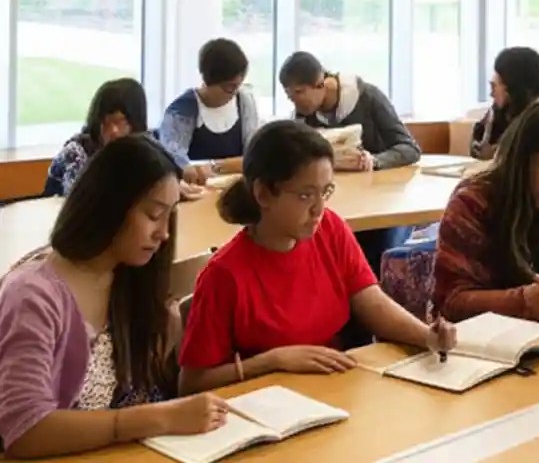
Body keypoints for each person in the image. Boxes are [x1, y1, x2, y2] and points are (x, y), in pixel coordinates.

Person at [177, 120, 455, 395]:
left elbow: (370, 301)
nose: (319, 209)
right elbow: (192, 383)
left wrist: (427, 336)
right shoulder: (224, 275)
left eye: (326, 192)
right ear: (262, 193)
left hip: (336, 391)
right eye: (305, 195)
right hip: (271, 408)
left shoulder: (330, 228)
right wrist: (271, 361)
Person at [0, 135, 229, 459]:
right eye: (153, 215)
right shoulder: (33, 295)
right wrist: (157, 418)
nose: (163, 233)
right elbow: (24, 431)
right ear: (109, 207)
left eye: (169, 216)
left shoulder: (128, 276)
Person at [432, 101, 539, 323]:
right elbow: (451, 301)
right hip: (479, 338)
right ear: (521, 162)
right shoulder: (472, 202)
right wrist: (523, 301)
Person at [277, 51, 421, 274]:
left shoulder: (368, 98)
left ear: (320, 83)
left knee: (372, 254)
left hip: (379, 204)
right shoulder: (303, 115)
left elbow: (409, 148)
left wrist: (374, 160)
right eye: (289, 95)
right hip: (332, 204)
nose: (295, 101)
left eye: (299, 92)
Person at [44, 78, 195, 198]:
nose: (113, 131)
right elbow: (83, 203)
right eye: (105, 123)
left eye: (119, 122)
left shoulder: (145, 145)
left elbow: (167, 175)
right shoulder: (77, 152)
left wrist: (172, 186)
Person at [159, 38, 260, 181]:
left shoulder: (244, 101)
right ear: (208, 81)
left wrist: (214, 166)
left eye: (238, 85)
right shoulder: (183, 108)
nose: (234, 92)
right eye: (229, 87)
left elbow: (253, 157)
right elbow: (173, 158)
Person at [471, 46, 539, 161]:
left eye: (494, 86)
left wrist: (496, 157)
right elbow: (480, 141)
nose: (491, 94)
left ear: (512, 88)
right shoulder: (499, 112)